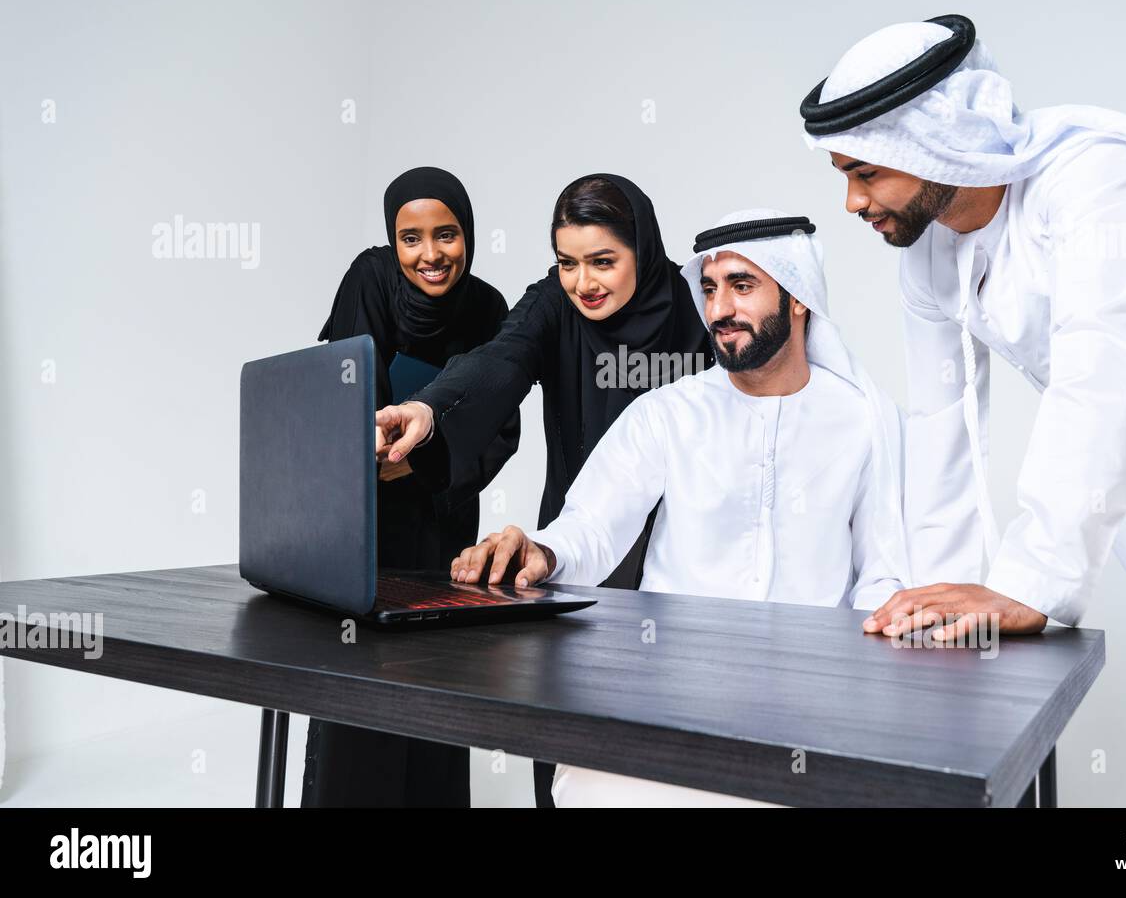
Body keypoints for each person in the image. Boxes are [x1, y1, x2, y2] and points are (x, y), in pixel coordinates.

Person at [800, 14, 1126, 806]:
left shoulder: (1098, 179)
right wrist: (944, 596)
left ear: (931, 143)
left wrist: (1033, 583)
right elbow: (942, 421)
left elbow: (1104, 372)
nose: (853, 201)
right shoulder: (931, 251)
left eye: (866, 173)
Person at [448, 209, 912, 806]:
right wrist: (541, 550)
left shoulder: (865, 421)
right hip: (669, 693)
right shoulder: (666, 413)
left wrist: (867, 702)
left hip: (810, 702)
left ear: (798, 298)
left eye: (742, 286)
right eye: (710, 288)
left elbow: (884, 573)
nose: (719, 310)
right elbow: (590, 524)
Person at [375, 173, 713, 805]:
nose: (583, 282)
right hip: (569, 552)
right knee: (562, 745)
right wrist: (429, 410)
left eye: (603, 262)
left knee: (670, 760)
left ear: (643, 248)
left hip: (680, 564)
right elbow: (501, 360)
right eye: (568, 263)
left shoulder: (697, 309)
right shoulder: (553, 306)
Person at [302, 166, 521, 808]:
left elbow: (500, 427)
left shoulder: (487, 308)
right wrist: (377, 452)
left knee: (436, 685)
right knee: (356, 685)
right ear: (393, 240)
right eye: (412, 237)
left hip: (439, 526)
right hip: (360, 527)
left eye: (446, 234)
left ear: (468, 234)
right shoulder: (369, 279)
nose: (431, 255)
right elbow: (338, 375)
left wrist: (422, 462)